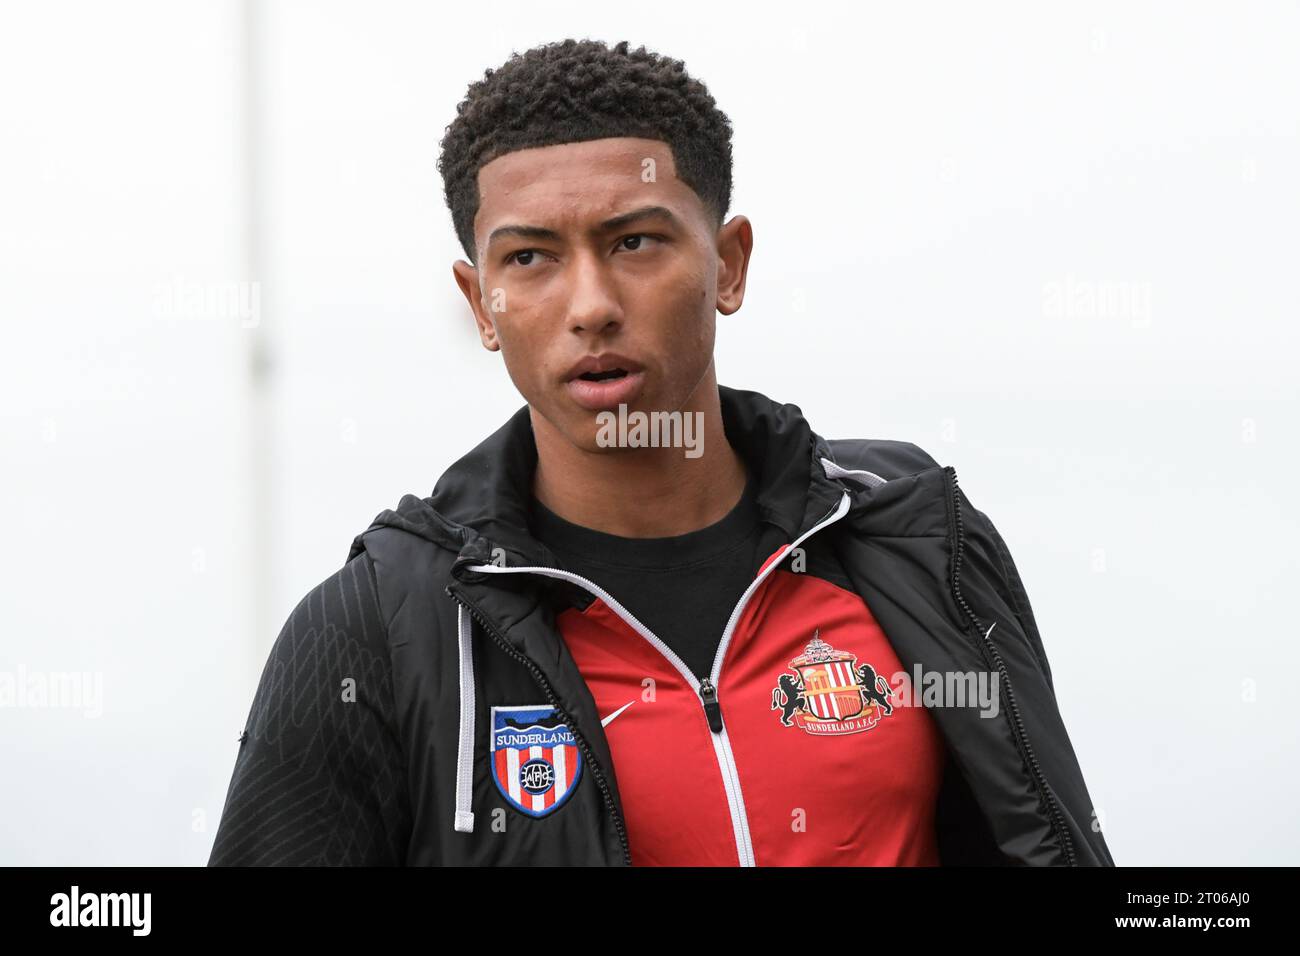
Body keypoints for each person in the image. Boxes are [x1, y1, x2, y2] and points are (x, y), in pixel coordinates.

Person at [208, 38, 1114, 866]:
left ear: (729, 264)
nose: (590, 303)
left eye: (634, 241)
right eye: (529, 259)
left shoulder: (914, 541)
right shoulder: (376, 630)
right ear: (481, 304)